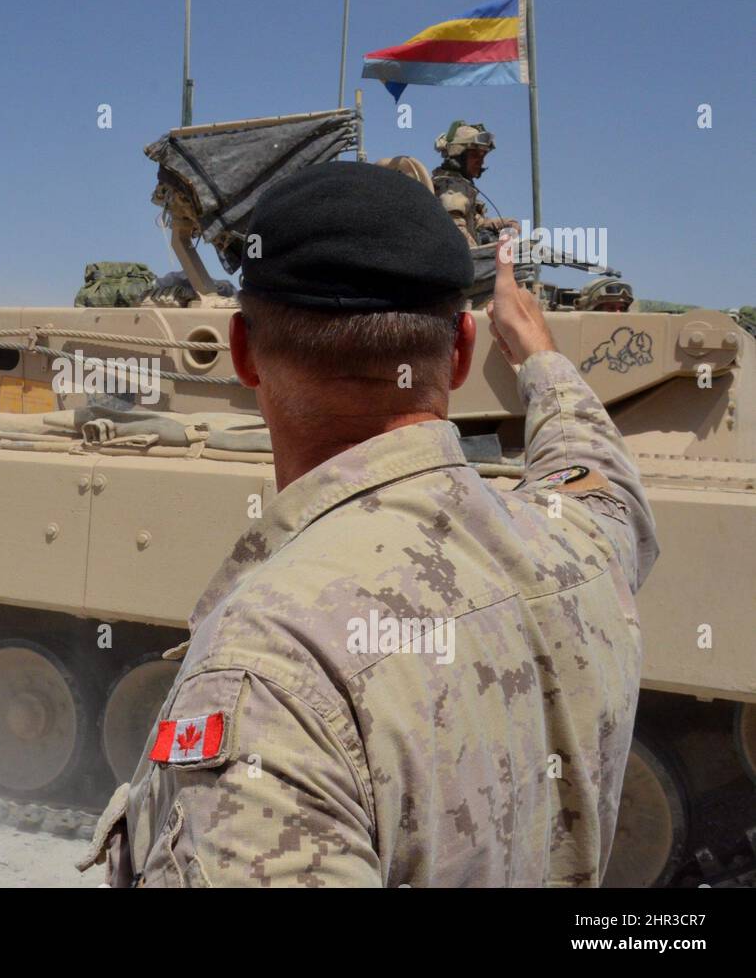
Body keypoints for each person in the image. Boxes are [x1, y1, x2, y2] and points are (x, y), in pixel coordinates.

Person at [79, 162, 657, 887]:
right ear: (462, 348)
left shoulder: (270, 674)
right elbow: (605, 485)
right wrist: (540, 357)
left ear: (242, 353)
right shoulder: (578, 546)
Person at [432, 121, 518, 245]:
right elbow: (455, 231)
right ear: (458, 155)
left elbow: (476, 222)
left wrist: (504, 222)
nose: (481, 162)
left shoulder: (461, 186)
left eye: (483, 156)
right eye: (475, 155)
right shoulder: (452, 188)